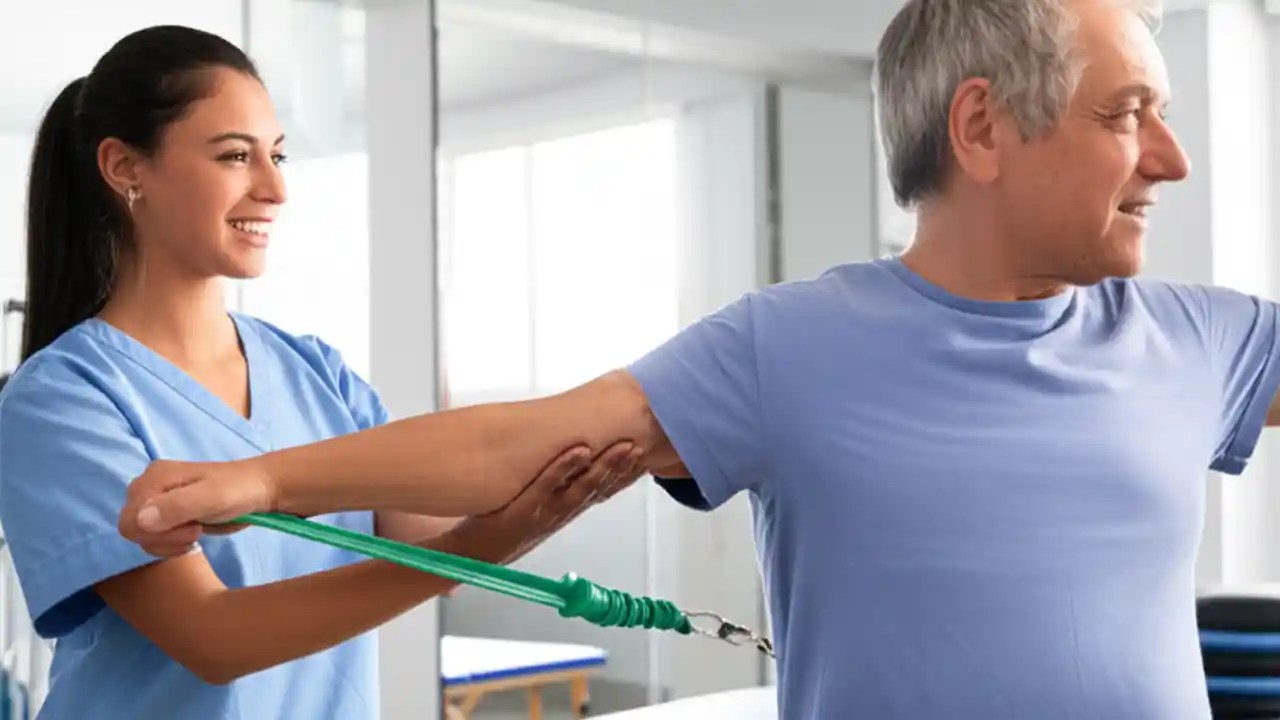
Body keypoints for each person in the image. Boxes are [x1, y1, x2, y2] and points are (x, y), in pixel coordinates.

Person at [119, 0, 1276, 717]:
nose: (1167, 158)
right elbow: (520, 440)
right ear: (979, 128)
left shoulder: (1203, 342)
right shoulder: (789, 348)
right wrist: (267, 482)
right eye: (1124, 114)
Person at [0, 25, 644, 720]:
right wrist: (477, 546)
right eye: (235, 156)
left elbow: (436, 533)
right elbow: (214, 636)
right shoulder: (62, 398)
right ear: (126, 167)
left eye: (277, 156)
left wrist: (551, 473)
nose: (275, 187)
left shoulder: (314, 370)